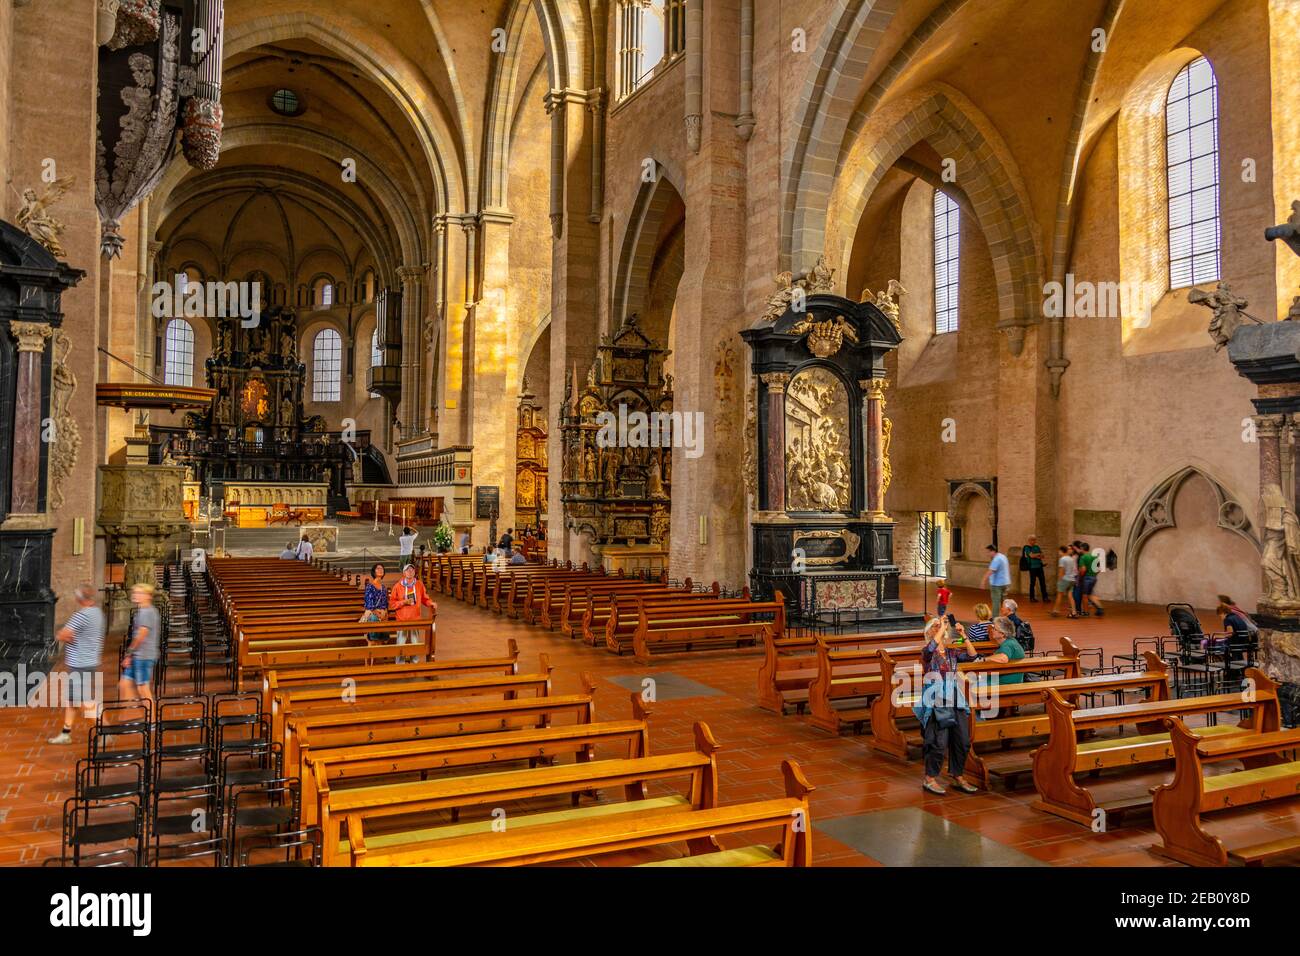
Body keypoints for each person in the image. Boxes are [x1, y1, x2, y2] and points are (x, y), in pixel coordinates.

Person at [917, 617, 981, 795]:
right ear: (929, 632)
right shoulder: (927, 652)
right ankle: (929, 778)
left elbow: (972, 656)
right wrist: (942, 627)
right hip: (936, 697)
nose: (940, 628)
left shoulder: (951, 651)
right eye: (935, 626)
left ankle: (958, 775)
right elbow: (930, 648)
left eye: (941, 626)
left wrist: (963, 635)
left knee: (962, 739)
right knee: (939, 741)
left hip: (954, 696)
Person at [48, 584, 105, 745]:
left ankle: (104, 731)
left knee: (82, 700)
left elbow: (62, 635)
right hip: (90, 660)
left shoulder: (80, 615)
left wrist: (64, 635)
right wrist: (72, 637)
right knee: (72, 700)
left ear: (79, 599)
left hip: (79, 663)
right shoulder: (98, 613)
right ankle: (66, 733)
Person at [120, 584, 159, 707]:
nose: (135, 595)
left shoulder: (146, 612)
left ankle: (152, 723)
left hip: (144, 656)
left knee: (144, 692)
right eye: (134, 592)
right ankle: (131, 715)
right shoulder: (143, 611)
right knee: (124, 683)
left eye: (139, 593)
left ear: (148, 596)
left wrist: (129, 654)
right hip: (139, 655)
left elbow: (141, 636)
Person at [389, 564, 435, 663]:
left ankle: (414, 662)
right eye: (407, 570)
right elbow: (392, 604)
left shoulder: (419, 584)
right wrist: (403, 602)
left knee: (415, 642)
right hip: (402, 619)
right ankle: (400, 663)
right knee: (401, 643)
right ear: (404, 573)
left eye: (412, 570)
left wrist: (431, 603)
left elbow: (424, 598)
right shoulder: (397, 586)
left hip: (415, 619)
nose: (410, 571)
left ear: (414, 572)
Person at [985, 616, 1027, 685]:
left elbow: (1003, 658)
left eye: (995, 629)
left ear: (1002, 633)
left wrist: (985, 659)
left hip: (1004, 683)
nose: (992, 630)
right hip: (1010, 680)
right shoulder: (1012, 641)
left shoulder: (1008, 644)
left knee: (968, 684)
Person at [359, 563, 389, 643]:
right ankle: (371, 654)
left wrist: (385, 613)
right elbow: (369, 604)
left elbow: (385, 603)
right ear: (374, 572)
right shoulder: (370, 586)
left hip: (383, 615)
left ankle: (380, 654)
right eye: (378, 568)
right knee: (373, 641)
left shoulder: (383, 587)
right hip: (373, 615)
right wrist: (378, 614)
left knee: (382, 640)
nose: (380, 570)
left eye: (382, 568)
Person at [1075, 541, 1105, 617]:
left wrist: (1080, 577)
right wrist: (1094, 574)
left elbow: (1083, 569)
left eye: (1080, 548)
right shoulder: (1094, 557)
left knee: (1085, 596)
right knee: (1089, 594)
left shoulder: (1083, 557)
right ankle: (1100, 608)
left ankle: (1086, 612)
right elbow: (1099, 568)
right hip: (1093, 578)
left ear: (1082, 549)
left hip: (1086, 578)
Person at [981, 544, 1010, 613]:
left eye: (988, 552)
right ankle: (1008, 617)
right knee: (1004, 602)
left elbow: (990, 571)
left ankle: (995, 619)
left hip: (997, 584)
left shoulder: (996, 559)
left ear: (993, 551)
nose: (987, 554)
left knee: (996, 602)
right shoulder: (1003, 557)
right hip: (1005, 583)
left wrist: (983, 581)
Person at [1052, 544, 1078, 618]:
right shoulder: (1071, 559)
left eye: (1059, 551)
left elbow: (1061, 571)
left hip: (1065, 579)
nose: (1059, 553)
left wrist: (1059, 580)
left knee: (1059, 595)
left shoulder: (1062, 559)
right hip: (1072, 579)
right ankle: (1074, 612)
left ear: (1061, 551)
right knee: (1070, 596)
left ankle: (1055, 610)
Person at [1022, 535, 1047, 602]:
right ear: (1029, 540)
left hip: (1039, 566)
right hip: (1032, 567)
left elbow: (1043, 556)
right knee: (1032, 583)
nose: (1034, 541)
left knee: (1043, 582)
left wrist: (1036, 555)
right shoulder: (1027, 548)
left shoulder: (1037, 547)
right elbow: (1031, 556)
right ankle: (1032, 598)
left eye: (1035, 539)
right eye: (1032, 539)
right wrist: (1037, 555)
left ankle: (1045, 597)